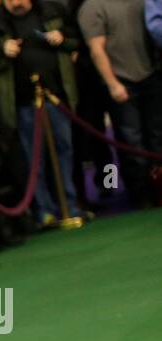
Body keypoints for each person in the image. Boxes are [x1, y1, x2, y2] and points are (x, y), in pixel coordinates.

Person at [0, 0, 86, 225]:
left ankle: (71, 204)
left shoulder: (53, 11)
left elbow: (77, 40)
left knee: (65, 150)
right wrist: (2, 51)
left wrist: (62, 39)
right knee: (35, 158)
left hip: (57, 96)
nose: (16, 2)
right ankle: (44, 211)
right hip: (23, 103)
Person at [78, 0, 162, 207]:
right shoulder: (91, 7)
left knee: (156, 137)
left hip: (150, 76)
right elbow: (96, 49)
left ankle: (157, 188)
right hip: (119, 82)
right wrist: (112, 83)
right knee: (130, 141)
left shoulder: (142, 2)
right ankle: (123, 189)